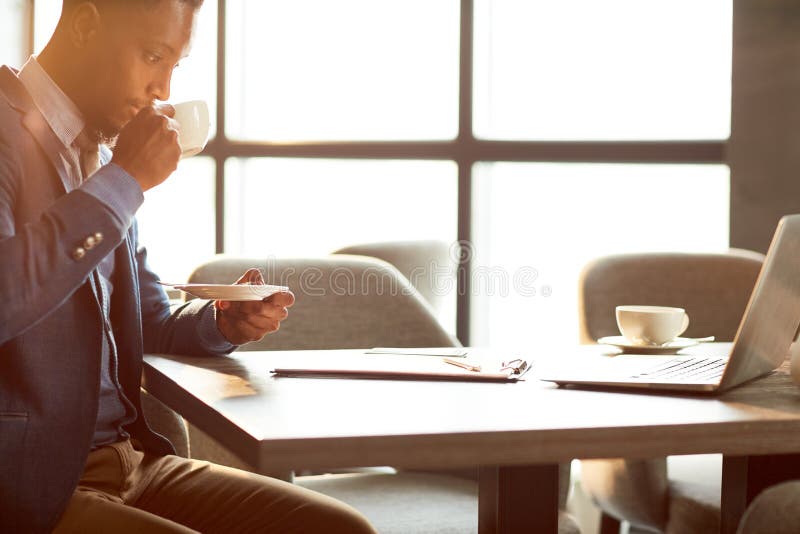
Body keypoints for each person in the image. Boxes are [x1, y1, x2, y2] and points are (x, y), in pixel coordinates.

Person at [0, 0, 377, 532]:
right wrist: (125, 181)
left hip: (135, 462)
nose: (164, 90)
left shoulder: (101, 152)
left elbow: (149, 320)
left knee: (338, 529)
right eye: (153, 56)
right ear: (85, 25)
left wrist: (220, 322)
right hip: (33, 481)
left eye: (174, 65)